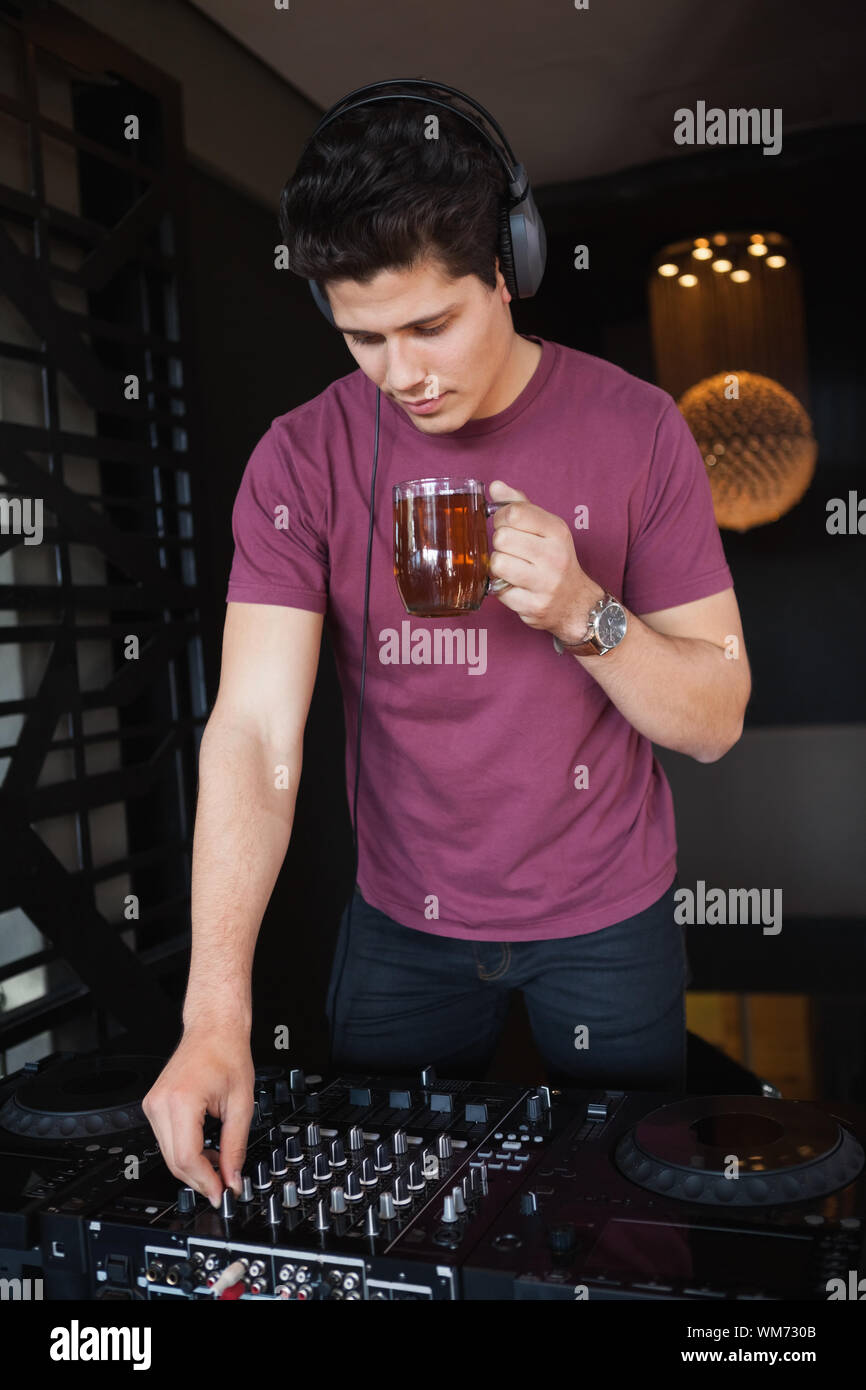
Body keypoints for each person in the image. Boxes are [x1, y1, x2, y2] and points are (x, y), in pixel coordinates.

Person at [143, 83, 751, 1208]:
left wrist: (582, 611)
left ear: (509, 270)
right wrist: (213, 1010)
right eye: (363, 337)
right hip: (401, 922)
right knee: (393, 1215)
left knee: (627, 1221)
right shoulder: (300, 459)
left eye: (430, 325)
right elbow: (255, 732)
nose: (402, 373)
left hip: (605, 917)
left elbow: (713, 720)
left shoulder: (636, 430)